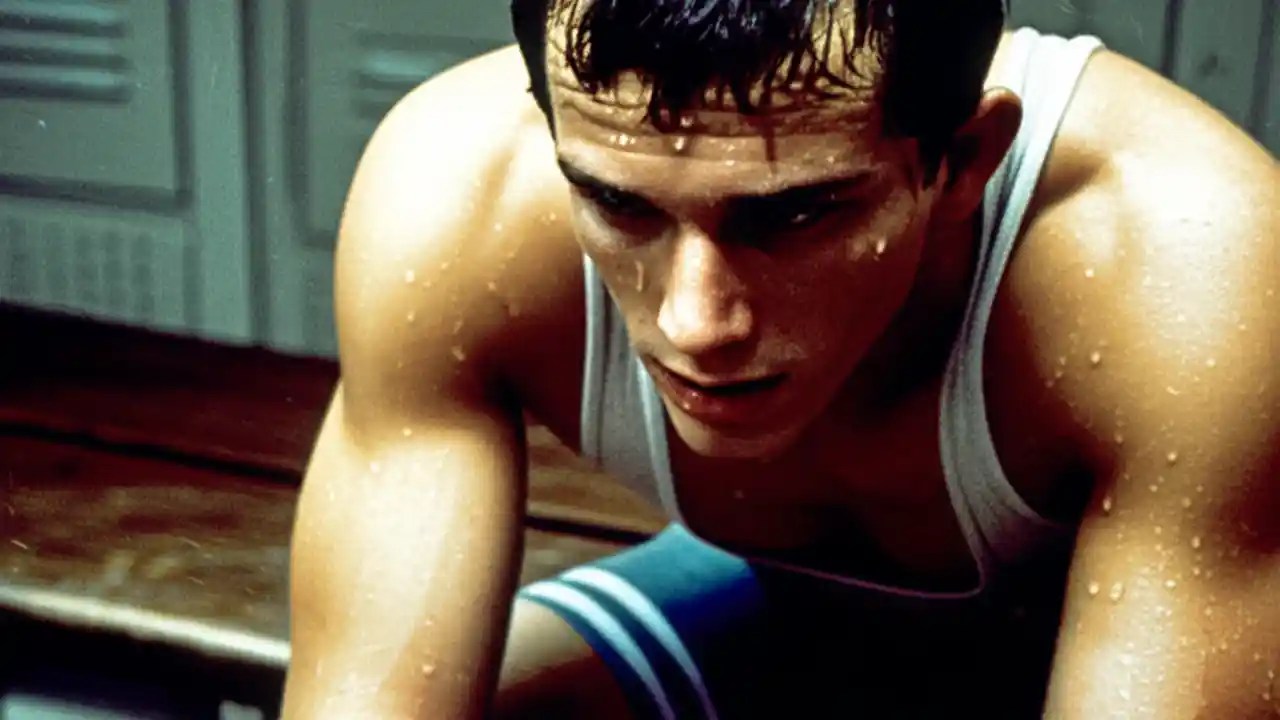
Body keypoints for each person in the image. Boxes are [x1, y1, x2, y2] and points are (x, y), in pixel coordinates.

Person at [279, 0, 1279, 717]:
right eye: (620, 206)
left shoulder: (1182, 263)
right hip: (781, 614)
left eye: (794, 214)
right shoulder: (458, 198)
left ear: (964, 161)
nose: (696, 323)